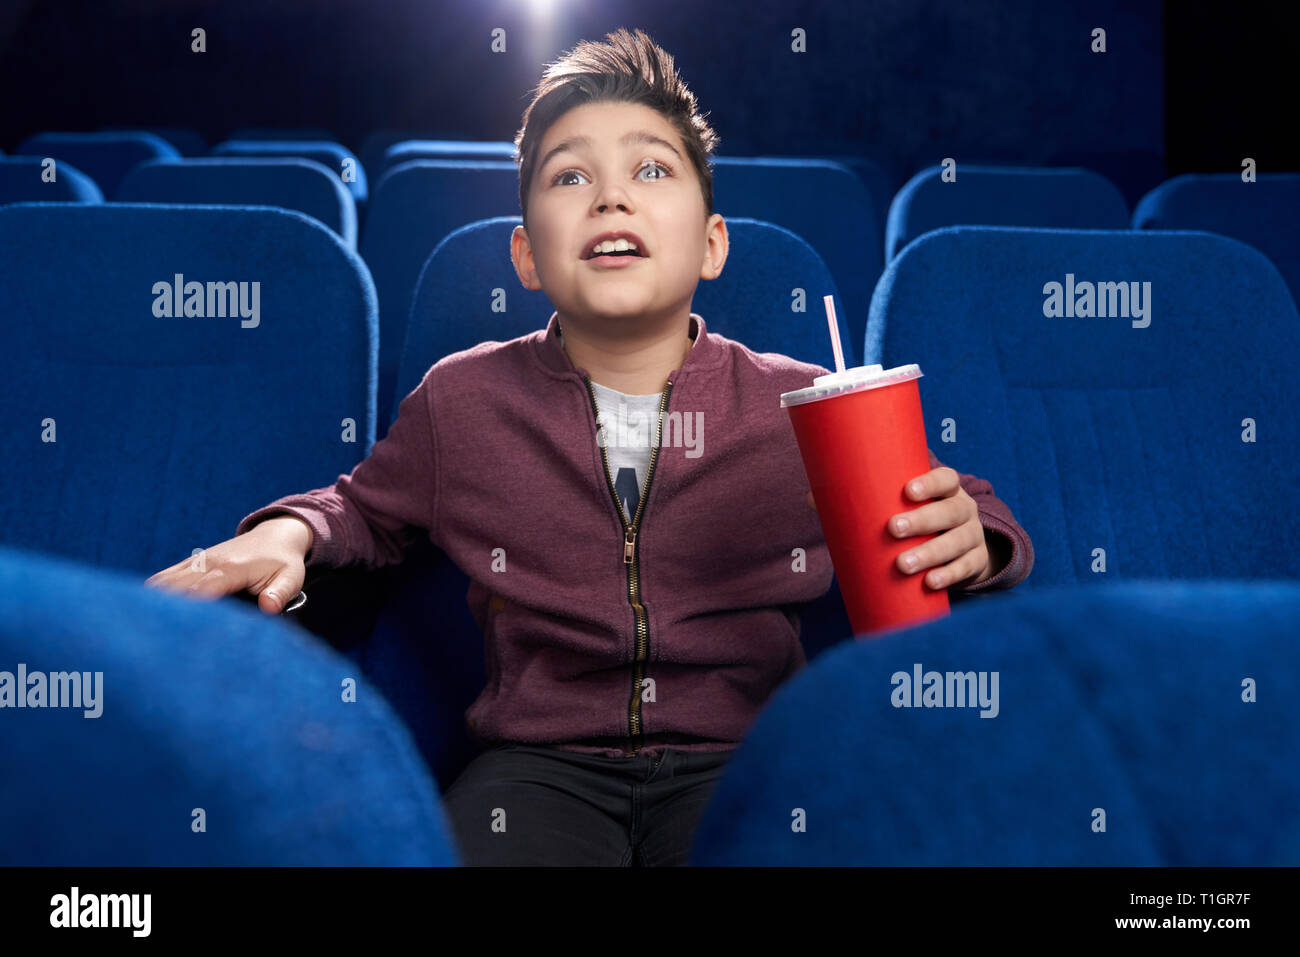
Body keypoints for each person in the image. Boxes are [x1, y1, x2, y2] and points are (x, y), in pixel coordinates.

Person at [145, 27, 1034, 866]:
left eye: (652, 169)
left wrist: (980, 535)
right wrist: (287, 533)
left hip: (745, 750)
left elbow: (955, 501)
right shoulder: (465, 399)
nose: (612, 195)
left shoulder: (799, 400)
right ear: (528, 257)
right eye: (571, 178)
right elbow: (361, 510)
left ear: (712, 244)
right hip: (537, 765)